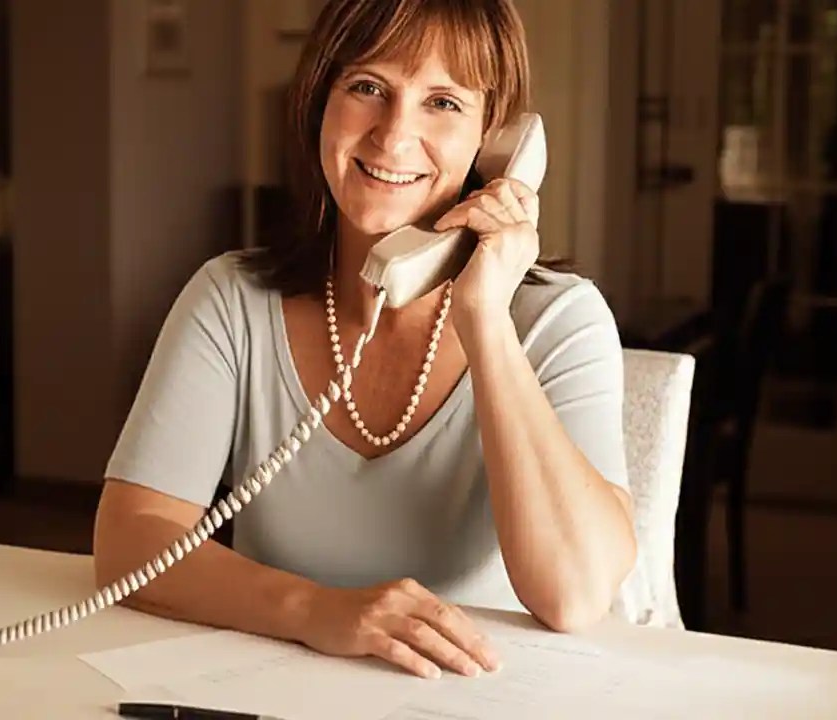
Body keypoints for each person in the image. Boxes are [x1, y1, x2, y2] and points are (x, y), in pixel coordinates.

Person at [93, 0, 637, 681]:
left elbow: (575, 596)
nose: (393, 135)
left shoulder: (560, 320)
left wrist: (486, 320)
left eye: (442, 102)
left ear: (496, 143)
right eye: (368, 87)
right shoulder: (231, 300)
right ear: (321, 101)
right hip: (276, 693)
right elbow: (129, 540)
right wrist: (313, 610)